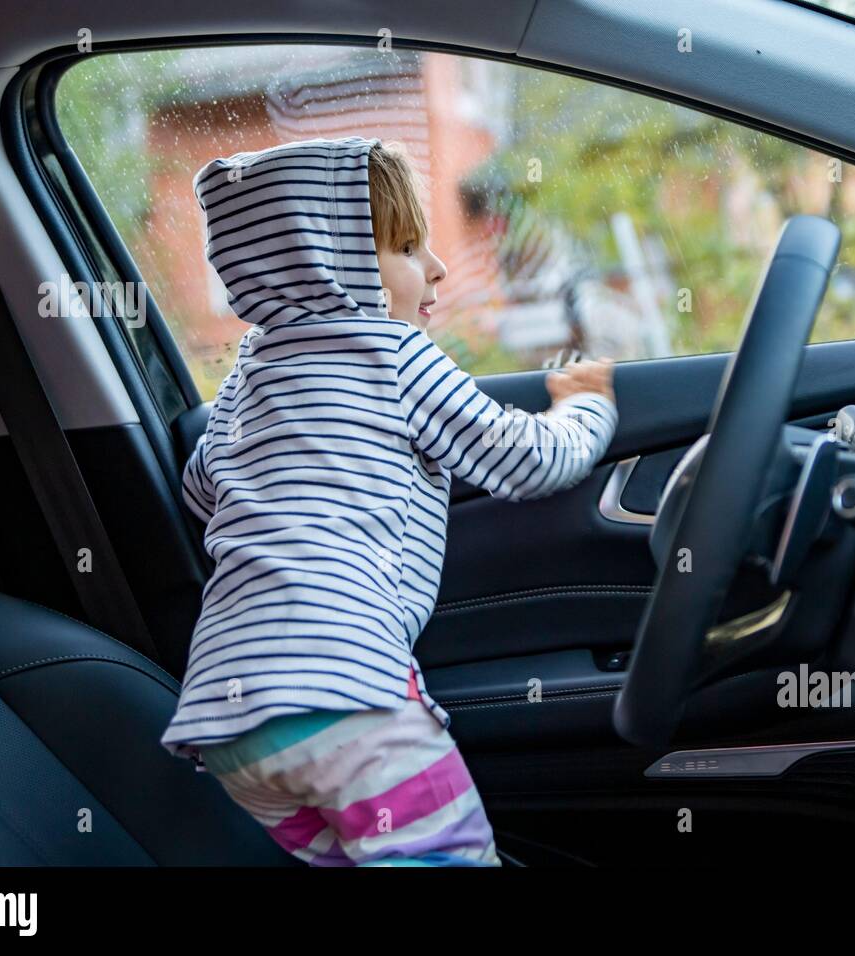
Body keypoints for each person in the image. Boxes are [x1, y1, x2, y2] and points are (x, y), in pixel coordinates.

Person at [160, 135, 618, 866]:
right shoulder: (391, 354)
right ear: (328, 263)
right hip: (344, 690)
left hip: (227, 719)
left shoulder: (246, 378)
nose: (436, 266)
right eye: (406, 246)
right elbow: (525, 460)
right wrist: (586, 407)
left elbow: (199, 488)